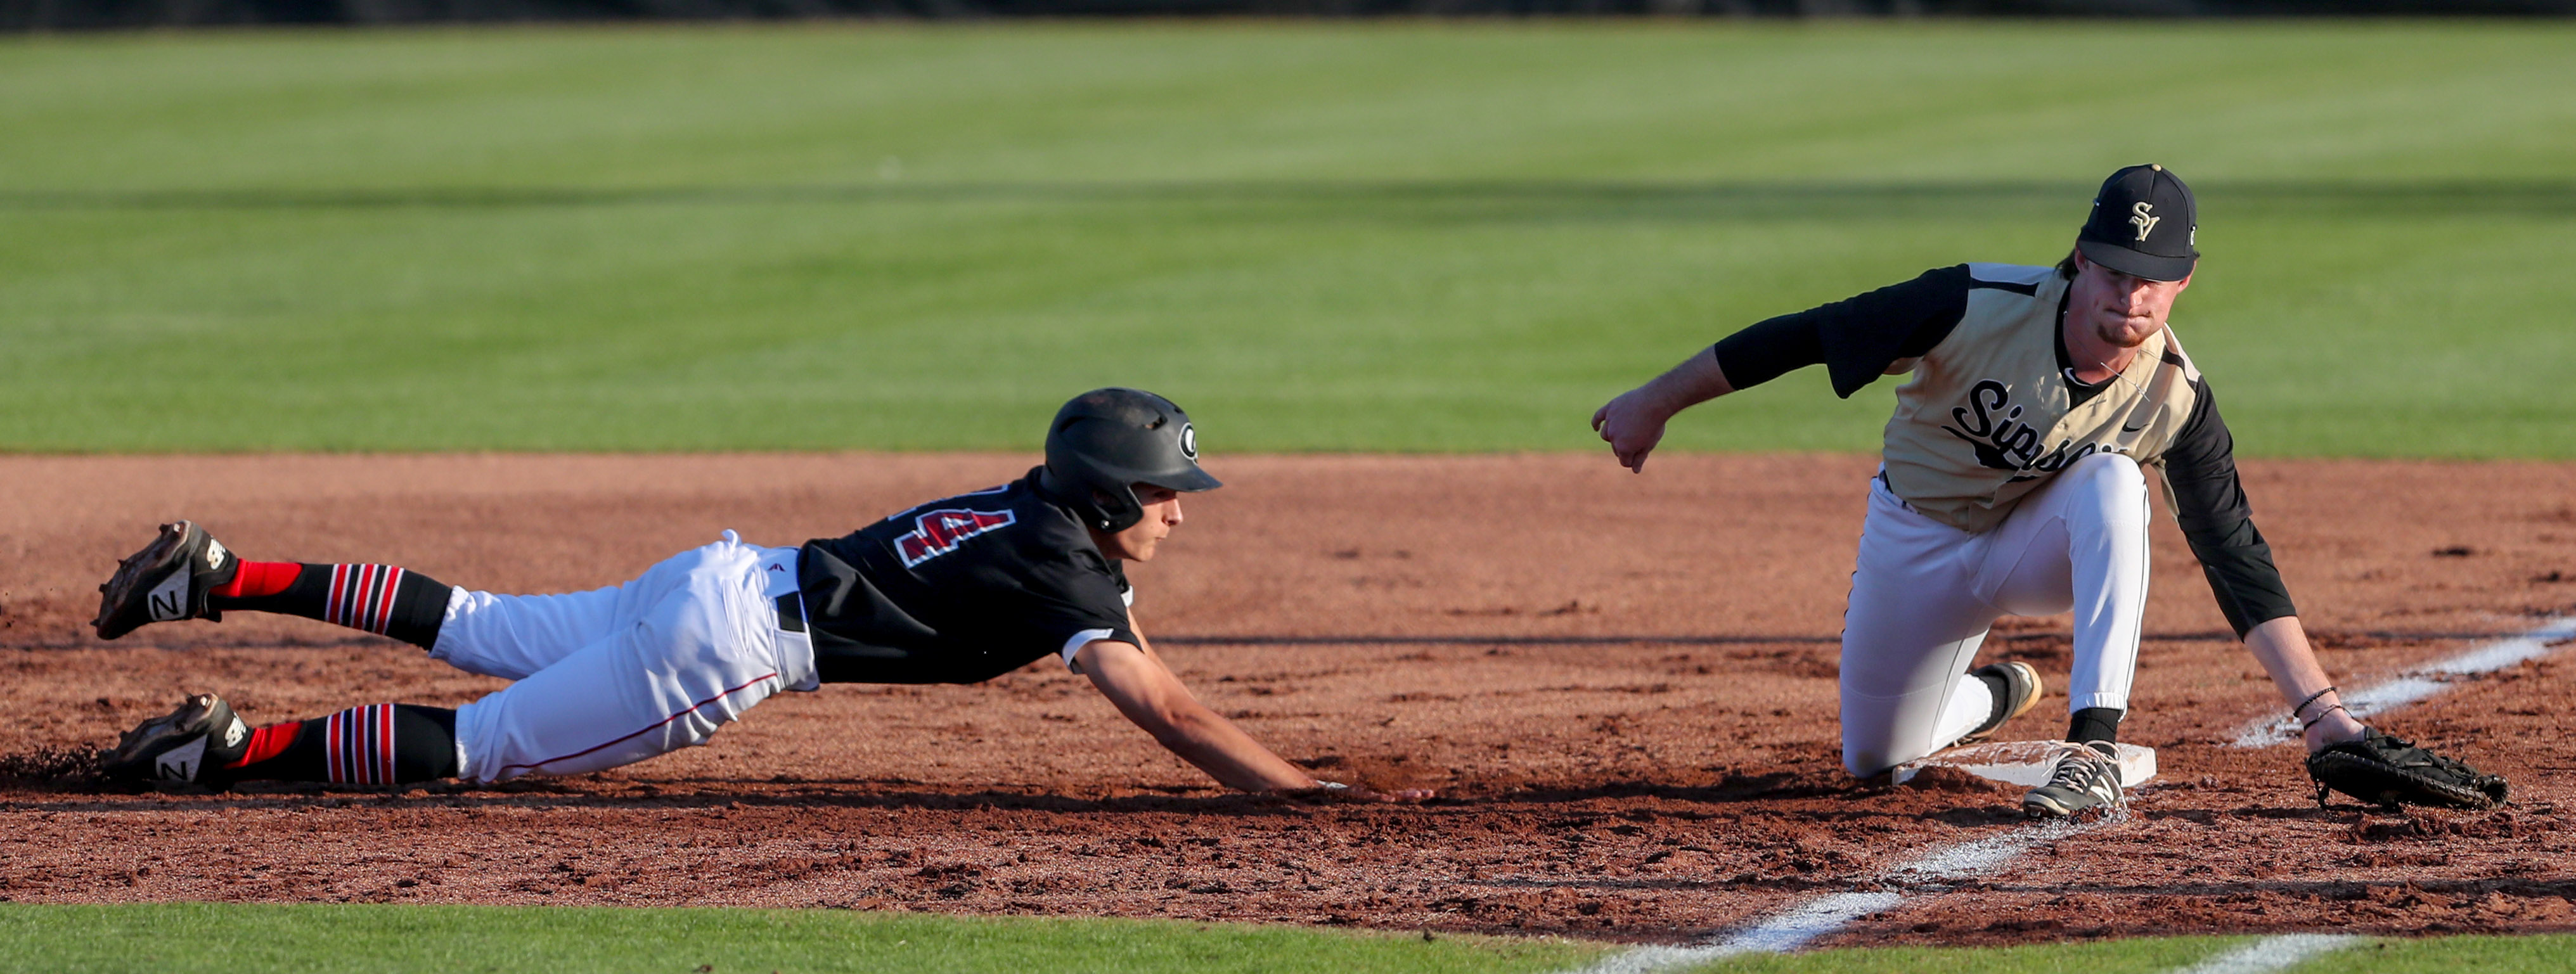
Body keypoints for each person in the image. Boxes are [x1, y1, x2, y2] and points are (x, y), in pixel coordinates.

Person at [1590, 165, 2443, 817]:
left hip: (2036, 549)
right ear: (2080, 256)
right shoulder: (1972, 303)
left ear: (2185, 279)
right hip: (1915, 538)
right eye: (2113, 271)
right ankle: (1998, 691)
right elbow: (1809, 336)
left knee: (2114, 482)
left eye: (2152, 277)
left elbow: (2235, 550)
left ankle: (2094, 747)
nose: (2130, 296)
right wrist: (1654, 403)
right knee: (1876, 760)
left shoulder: (2176, 395)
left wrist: (2323, 713)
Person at [92, 388, 1412, 800]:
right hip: (724, 651)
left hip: (720, 574)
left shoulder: (1035, 507)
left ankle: (221, 574)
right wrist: (1289, 787)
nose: (1184, 507)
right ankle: (226, 750)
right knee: (486, 746)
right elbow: (1163, 705)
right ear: (1112, 500)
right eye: (1170, 489)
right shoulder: (1063, 561)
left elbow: (1101, 600)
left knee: (481, 622)